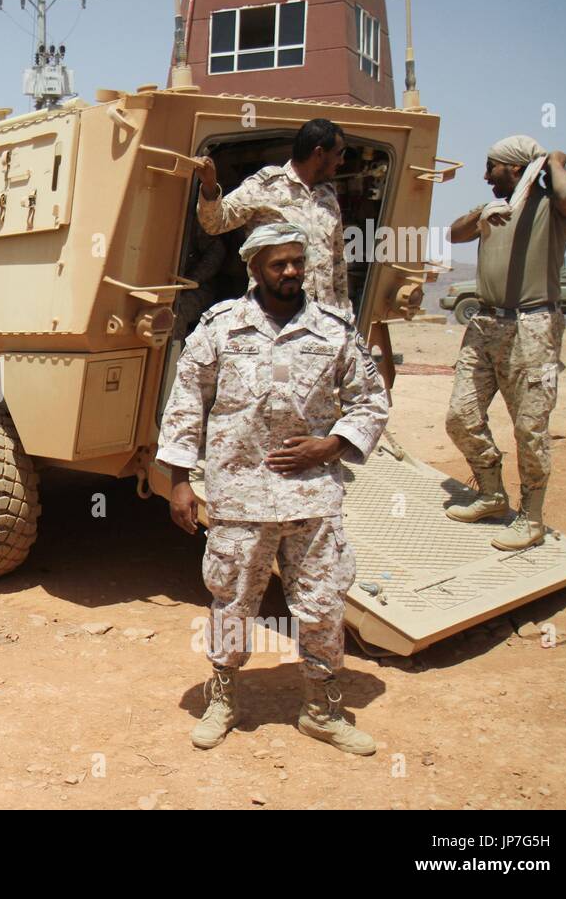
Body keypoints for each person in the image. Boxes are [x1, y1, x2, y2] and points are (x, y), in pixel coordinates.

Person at [157, 222, 389, 755]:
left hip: (313, 498)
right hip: (239, 497)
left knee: (323, 602)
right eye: (278, 263)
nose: (290, 271)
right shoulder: (220, 329)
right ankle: (223, 699)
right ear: (254, 268)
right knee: (232, 601)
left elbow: (371, 400)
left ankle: (321, 710)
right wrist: (179, 482)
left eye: (296, 262)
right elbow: (187, 405)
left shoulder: (334, 330)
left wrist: (331, 446)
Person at [444, 136, 566, 550]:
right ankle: (491, 493)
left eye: (492, 168)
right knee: (459, 417)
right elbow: (453, 235)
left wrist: (553, 159)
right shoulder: (495, 210)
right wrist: (481, 216)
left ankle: (531, 519)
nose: (485, 176)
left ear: (515, 168)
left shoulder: (552, 208)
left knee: (530, 427)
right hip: (485, 324)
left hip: (533, 327)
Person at [194, 118, 351, 313]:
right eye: (339, 154)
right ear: (319, 153)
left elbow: (337, 261)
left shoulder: (327, 195)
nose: (342, 161)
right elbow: (215, 223)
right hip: (277, 318)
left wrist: (344, 314)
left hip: (323, 318)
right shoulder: (266, 185)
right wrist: (209, 187)